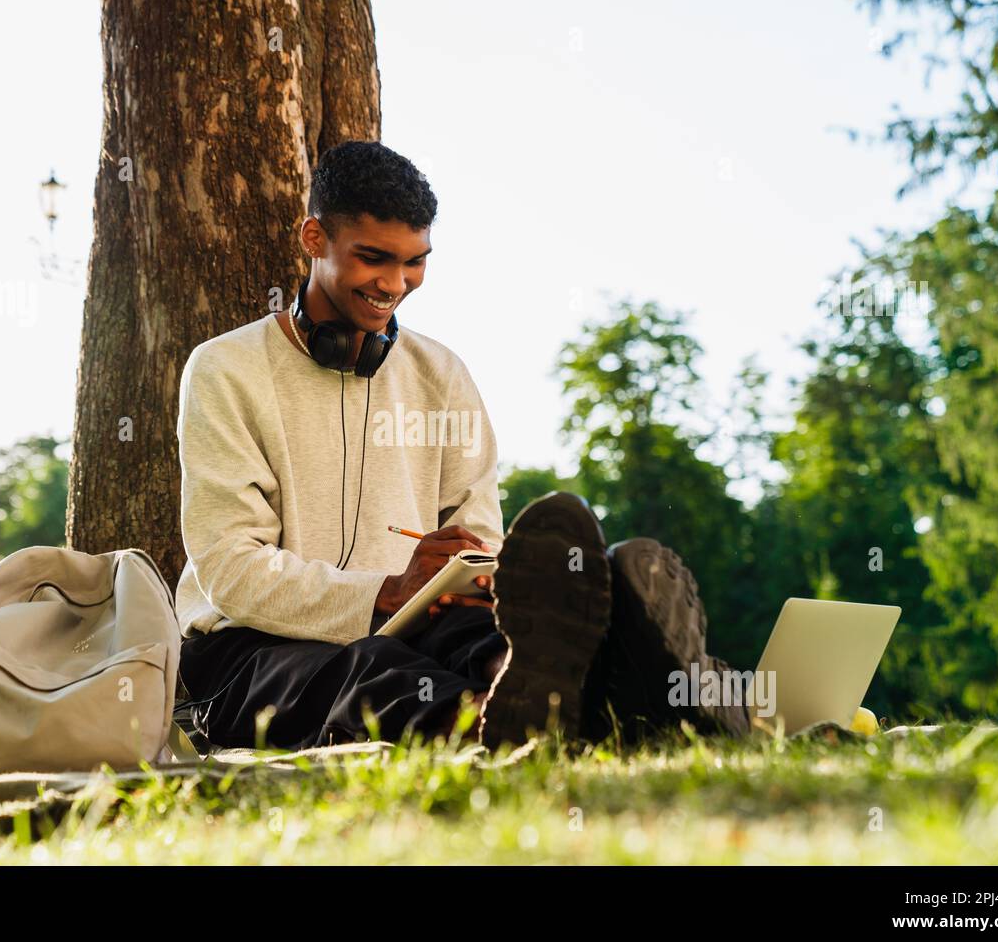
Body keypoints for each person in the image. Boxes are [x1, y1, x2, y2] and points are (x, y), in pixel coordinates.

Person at [175, 140, 748, 752]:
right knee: (372, 674)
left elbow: (482, 541)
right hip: (246, 648)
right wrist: (386, 590)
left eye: (415, 262)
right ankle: (533, 718)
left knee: (491, 639)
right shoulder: (224, 369)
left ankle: (610, 688)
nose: (395, 283)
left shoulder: (442, 373)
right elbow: (231, 569)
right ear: (314, 238)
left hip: (413, 624)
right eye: (373, 258)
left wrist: (472, 577)